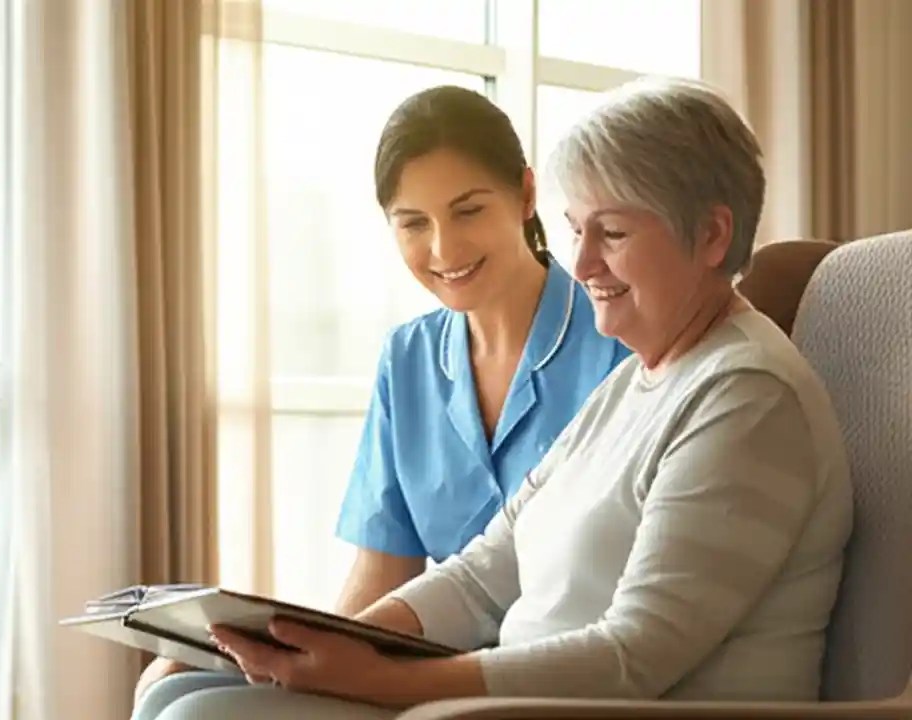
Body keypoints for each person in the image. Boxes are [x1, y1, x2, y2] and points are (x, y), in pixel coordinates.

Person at [148, 77, 854, 719]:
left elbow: (633, 657)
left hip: (602, 710)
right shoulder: (639, 381)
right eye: (577, 230)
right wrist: (322, 644)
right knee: (179, 691)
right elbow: (489, 571)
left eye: (610, 233)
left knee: (200, 716)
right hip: (525, 704)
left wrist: (378, 679)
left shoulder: (748, 395)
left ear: (711, 235)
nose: (578, 265)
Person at [132, 86, 629, 716]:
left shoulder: (616, 336)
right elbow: (383, 577)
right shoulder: (408, 360)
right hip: (423, 664)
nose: (444, 250)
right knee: (172, 685)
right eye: (414, 223)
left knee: (192, 713)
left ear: (526, 195)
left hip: (529, 680)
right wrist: (277, 654)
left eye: (469, 211)